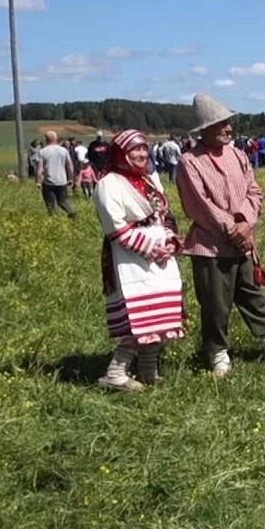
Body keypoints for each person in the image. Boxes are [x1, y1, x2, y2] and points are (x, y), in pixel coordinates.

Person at [176, 94, 265, 376]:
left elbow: (254, 191)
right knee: (216, 303)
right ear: (204, 129)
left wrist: (244, 221)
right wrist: (232, 230)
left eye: (229, 122)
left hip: (243, 244)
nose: (229, 128)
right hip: (211, 246)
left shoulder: (239, 155)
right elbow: (199, 205)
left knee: (255, 296)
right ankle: (218, 354)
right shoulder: (189, 162)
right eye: (221, 124)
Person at [93, 130, 185, 391]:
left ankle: (147, 371)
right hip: (129, 258)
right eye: (135, 150)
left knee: (156, 318)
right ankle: (115, 373)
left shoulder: (148, 180)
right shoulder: (109, 183)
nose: (142, 154)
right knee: (139, 318)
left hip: (158, 258)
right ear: (121, 153)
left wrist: (169, 241)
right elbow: (115, 226)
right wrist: (150, 249)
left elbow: (162, 216)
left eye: (144, 149)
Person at [36, 130, 76, 218]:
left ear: (46, 139)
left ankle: (54, 219)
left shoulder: (42, 152)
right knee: (62, 201)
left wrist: (38, 182)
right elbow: (70, 166)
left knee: (50, 204)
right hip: (62, 181)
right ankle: (71, 213)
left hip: (48, 182)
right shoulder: (63, 151)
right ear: (55, 138)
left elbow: (40, 169)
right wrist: (70, 178)